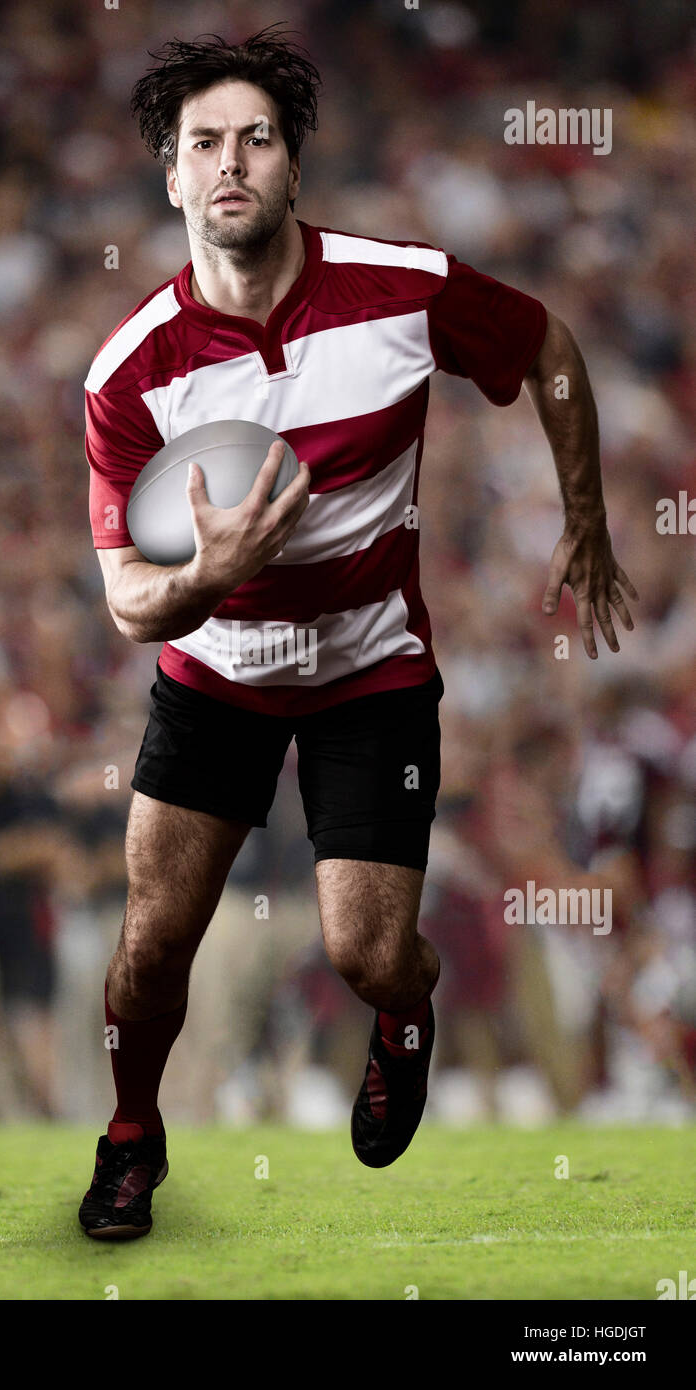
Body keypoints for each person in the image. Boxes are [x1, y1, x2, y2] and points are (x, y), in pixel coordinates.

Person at [78, 26, 637, 1239]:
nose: (230, 163)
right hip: (212, 674)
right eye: (203, 144)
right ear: (170, 177)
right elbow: (127, 599)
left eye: (256, 140)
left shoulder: (400, 288)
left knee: (367, 952)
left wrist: (583, 524)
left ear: (292, 166)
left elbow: (543, 345)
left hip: (368, 675)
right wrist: (206, 579)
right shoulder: (129, 375)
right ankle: (130, 1136)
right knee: (150, 942)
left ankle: (406, 1012)